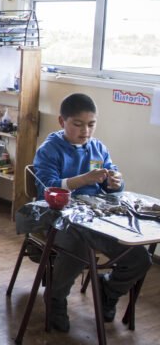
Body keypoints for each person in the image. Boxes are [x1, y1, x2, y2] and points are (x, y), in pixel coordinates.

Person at [33, 93, 151, 333]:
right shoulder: (50, 150)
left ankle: (109, 290)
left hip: (96, 216)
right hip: (58, 216)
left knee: (140, 258)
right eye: (77, 124)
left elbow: (109, 183)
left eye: (91, 124)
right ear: (61, 121)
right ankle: (56, 297)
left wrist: (115, 182)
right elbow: (48, 188)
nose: (85, 130)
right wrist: (82, 180)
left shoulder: (98, 149)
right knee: (77, 248)